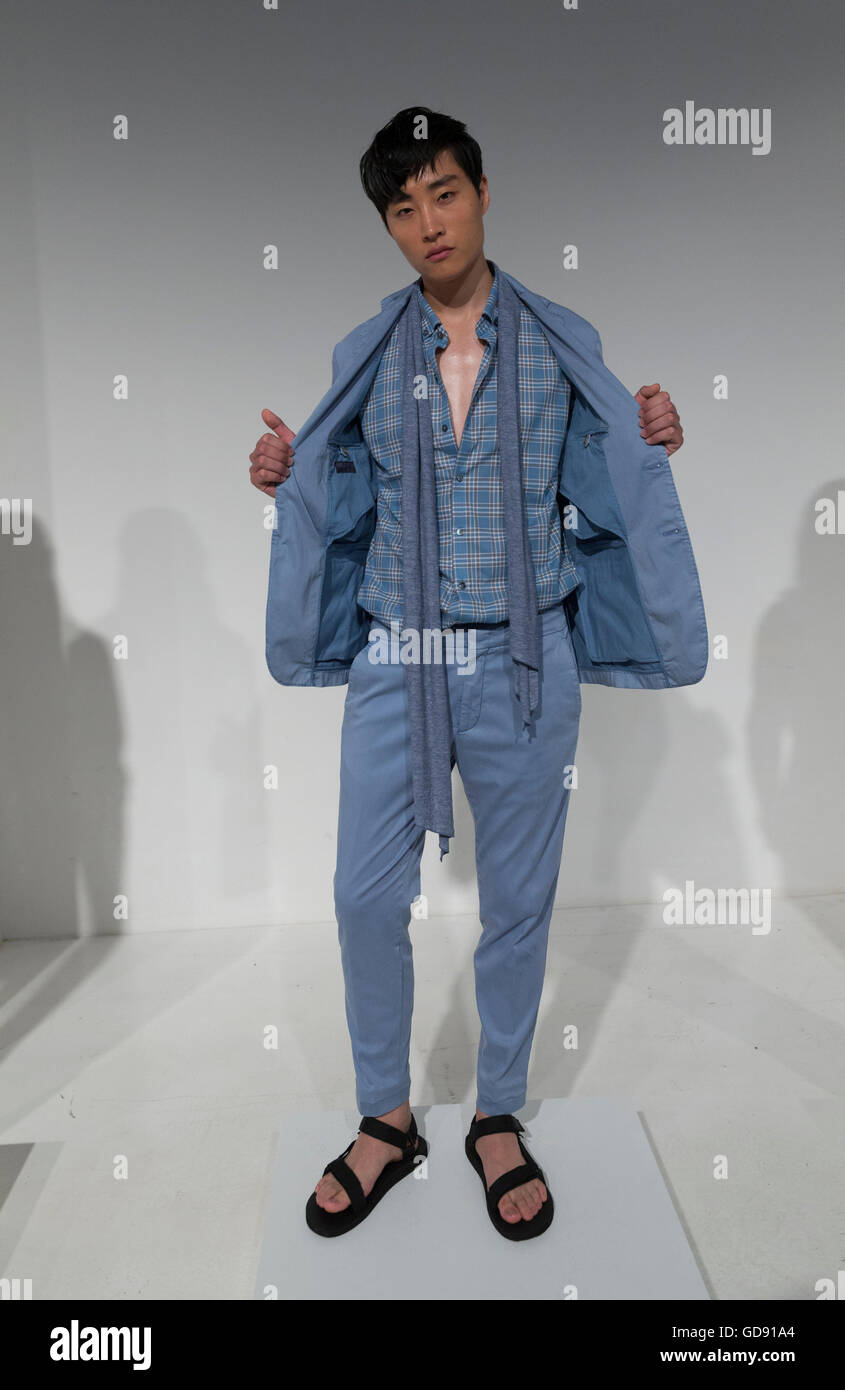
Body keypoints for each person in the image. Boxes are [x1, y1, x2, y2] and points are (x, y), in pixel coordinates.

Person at [249, 108, 701, 1241]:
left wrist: (652, 433)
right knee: (362, 895)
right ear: (389, 225)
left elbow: (606, 477)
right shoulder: (366, 351)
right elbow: (346, 498)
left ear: (482, 192)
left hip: (521, 651)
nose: (426, 223)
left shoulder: (558, 338)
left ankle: (496, 1112)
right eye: (402, 208)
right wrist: (284, 479)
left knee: (518, 902)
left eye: (442, 193)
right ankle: (385, 1118)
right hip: (395, 654)